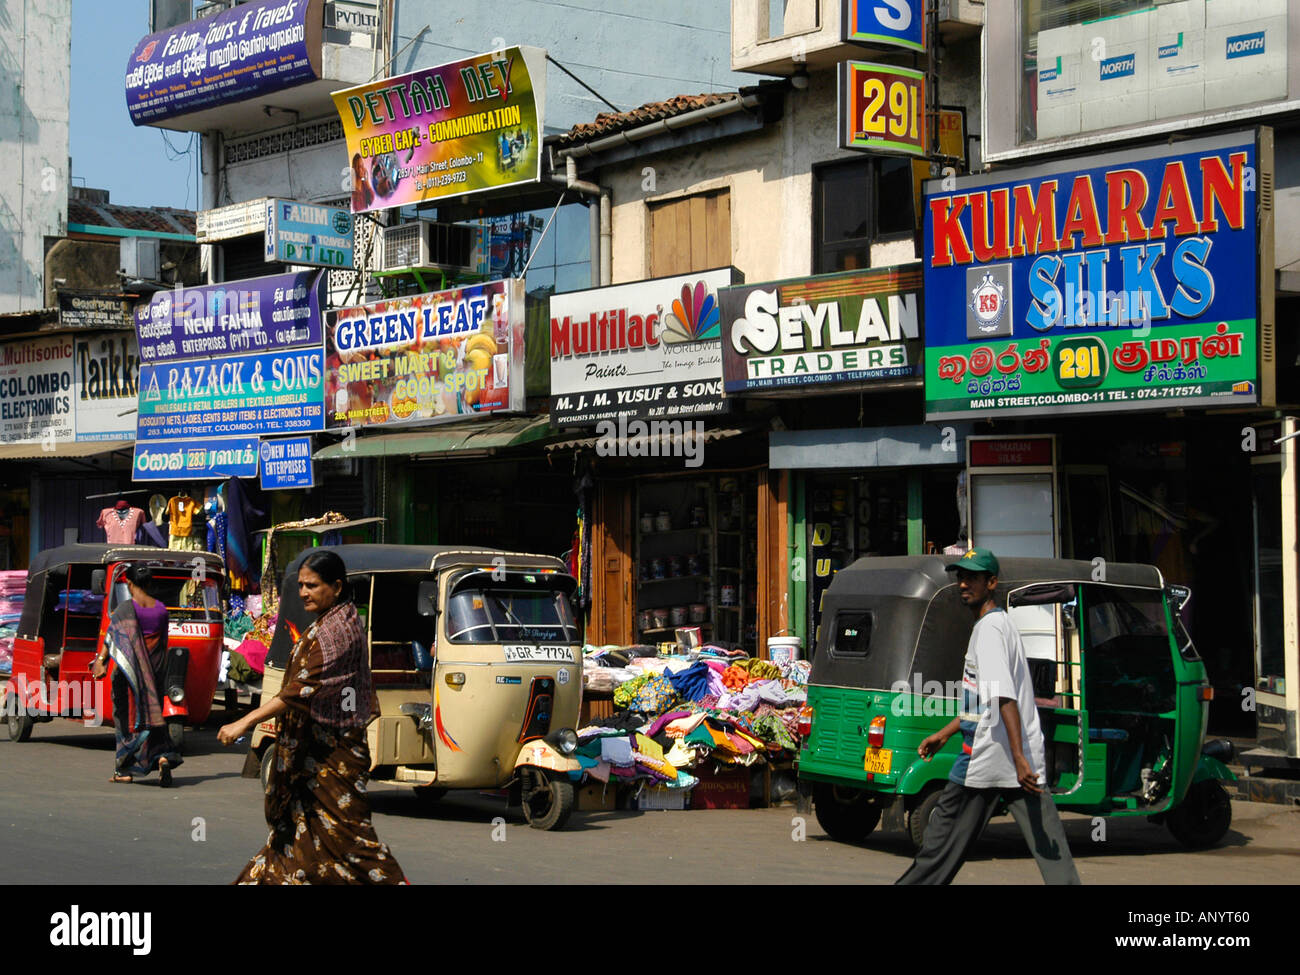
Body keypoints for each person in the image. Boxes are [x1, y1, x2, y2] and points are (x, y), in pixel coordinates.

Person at [218, 550, 406, 884]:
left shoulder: (339, 634)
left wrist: (244, 721)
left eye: (312, 585)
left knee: (352, 840)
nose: (304, 592)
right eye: (301, 585)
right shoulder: (327, 621)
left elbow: (300, 690)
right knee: (293, 834)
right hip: (309, 754)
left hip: (333, 756)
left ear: (335, 586)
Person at [896, 548, 1080, 885]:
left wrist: (1019, 758)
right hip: (1010, 760)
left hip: (987, 759)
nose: (963, 584)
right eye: (960, 577)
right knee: (1052, 853)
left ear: (991, 582)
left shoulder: (990, 631)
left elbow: (1001, 696)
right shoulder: (996, 625)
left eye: (972, 578)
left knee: (939, 848)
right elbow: (983, 702)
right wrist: (946, 732)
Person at [91, 564, 181, 786]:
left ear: (129, 584)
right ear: (150, 583)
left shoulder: (124, 610)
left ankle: (124, 770)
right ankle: (162, 758)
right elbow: (163, 644)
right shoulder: (161, 610)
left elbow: (112, 638)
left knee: (126, 719)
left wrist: (100, 661)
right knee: (154, 718)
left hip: (129, 678)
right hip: (154, 676)